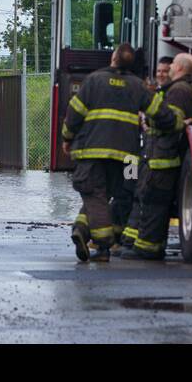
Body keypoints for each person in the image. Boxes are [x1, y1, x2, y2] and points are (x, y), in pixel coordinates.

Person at [62, 42, 151, 263]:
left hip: (94, 152)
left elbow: (74, 113)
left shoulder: (93, 80)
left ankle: (103, 246)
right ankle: (82, 229)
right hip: (129, 157)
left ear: (113, 58)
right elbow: (160, 112)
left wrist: (67, 138)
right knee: (122, 192)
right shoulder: (139, 86)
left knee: (94, 192)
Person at [126, 52, 192, 261]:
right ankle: (135, 241)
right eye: (159, 71)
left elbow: (170, 121)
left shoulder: (178, 91)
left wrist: (149, 121)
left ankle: (145, 247)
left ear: (178, 68)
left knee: (150, 199)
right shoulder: (187, 89)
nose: (165, 72)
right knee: (142, 194)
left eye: (168, 68)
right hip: (154, 156)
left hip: (160, 157)